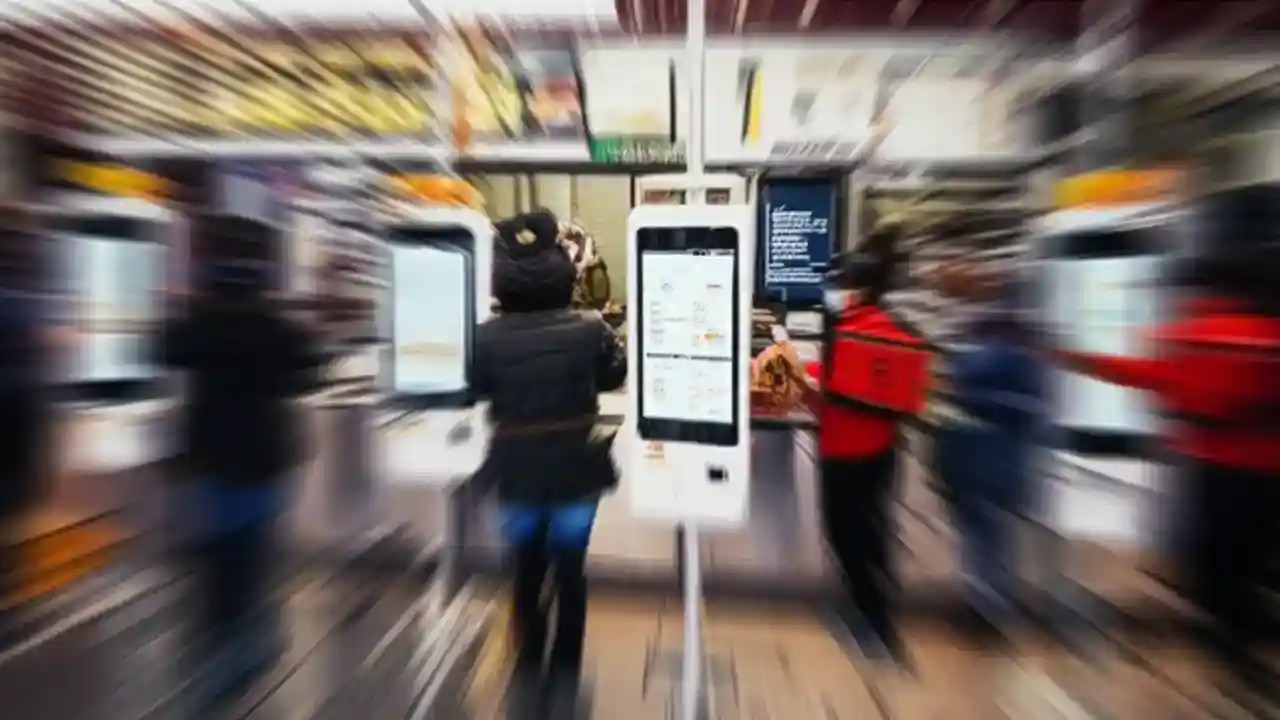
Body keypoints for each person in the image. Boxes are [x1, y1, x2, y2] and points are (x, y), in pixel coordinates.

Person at [1042, 185, 1280, 707]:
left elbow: (1156, 377)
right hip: (1265, 467)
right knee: (1251, 562)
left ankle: (1236, 657)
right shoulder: (1267, 331)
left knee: (1218, 571)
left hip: (1211, 467)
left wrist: (1078, 359)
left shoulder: (1194, 331)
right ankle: (1246, 644)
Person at [158, 214, 326, 706]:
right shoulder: (278, 328)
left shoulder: (193, 324)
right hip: (265, 458)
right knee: (253, 552)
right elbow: (308, 374)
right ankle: (253, 635)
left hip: (207, 459)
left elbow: (164, 352)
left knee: (215, 561)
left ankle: (222, 648)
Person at [473, 208, 626, 718]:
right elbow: (613, 376)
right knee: (570, 574)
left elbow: (473, 387)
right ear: (565, 273)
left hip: (516, 472)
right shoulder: (591, 329)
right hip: (576, 472)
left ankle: (528, 668)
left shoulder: (486, 337)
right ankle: (565, 676)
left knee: (524, 572)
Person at [797, 223, 928, 665]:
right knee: (874, 535)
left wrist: (801, 380)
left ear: (859, 289)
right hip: (884, 453)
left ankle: (870, 624)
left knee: (844, 536)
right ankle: (878, 618)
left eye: (841, 284)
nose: (835, 291)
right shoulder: (893, 326)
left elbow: (830, 395)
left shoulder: (846, 330)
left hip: (842, 453)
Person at [931, 260, 1044, 642]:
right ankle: (989, 601)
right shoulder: (1027, 354)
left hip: (979, 458)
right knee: (990, 536)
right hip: (1001, 460)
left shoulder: (982, 353)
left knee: (981, 535)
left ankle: (988, 606)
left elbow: (957, 401)